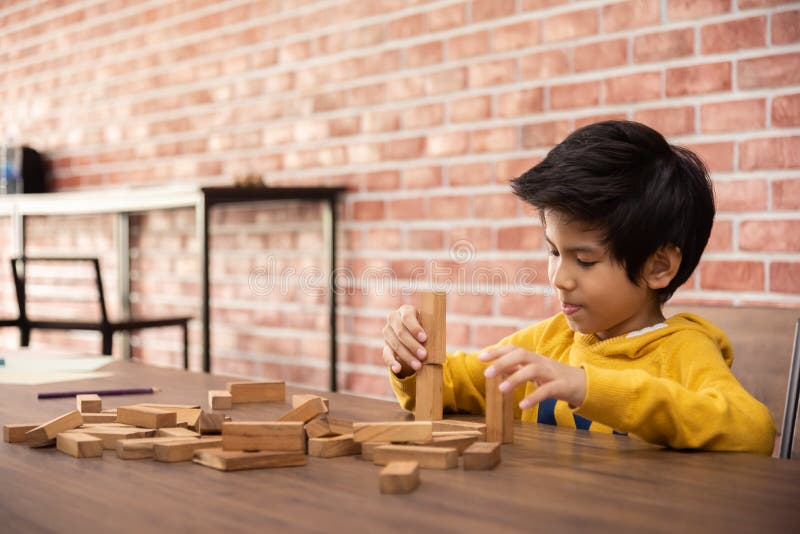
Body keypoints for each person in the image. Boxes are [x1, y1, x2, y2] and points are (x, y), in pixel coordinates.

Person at [382, 120, 776, 455]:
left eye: (585, 260)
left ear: (659, 267)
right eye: (554, 251)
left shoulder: (684, 352)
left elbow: (753, 431)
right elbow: (450, 387)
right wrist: (412, 359)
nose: (559, 277)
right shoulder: (547, 344)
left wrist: (588, 387)